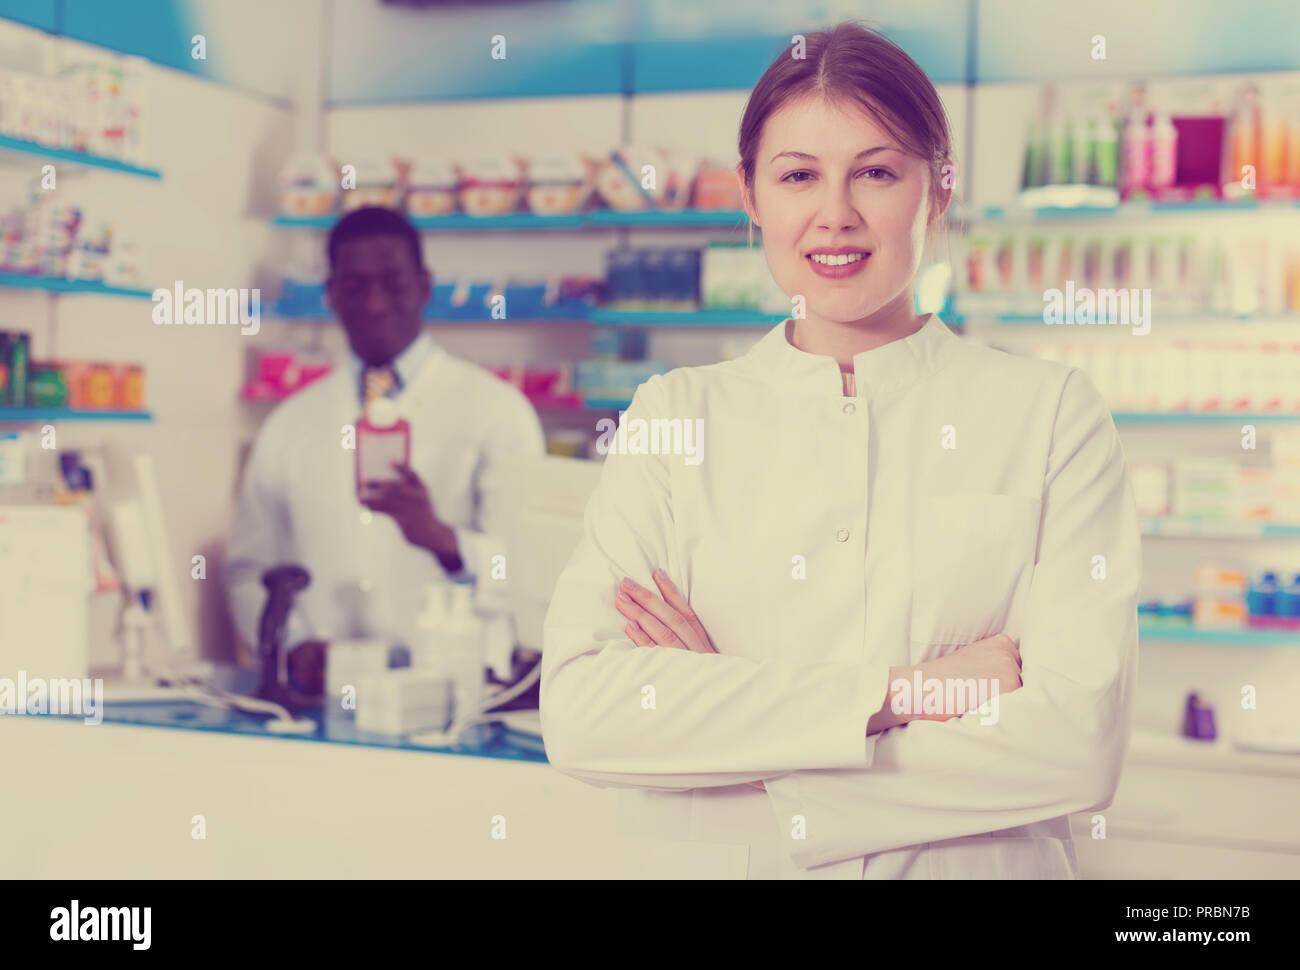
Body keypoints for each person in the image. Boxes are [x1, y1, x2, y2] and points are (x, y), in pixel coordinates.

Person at [540, 23, 1140, 879]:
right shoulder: (675, 417)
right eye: (797, 177)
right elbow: (587, 712)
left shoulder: (1050, 415)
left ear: (937, 188)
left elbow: (1077, 748)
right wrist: (906, 692)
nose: (836, 215)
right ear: (751, 195)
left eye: (876, 172)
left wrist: (734, 730)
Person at [226, 207, 545, 694]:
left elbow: (527, 574)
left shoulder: (498, 411)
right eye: (355, 286)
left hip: (455, 700)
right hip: (324, 700)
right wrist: (292, 645)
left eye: (393, 283)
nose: (375, 304)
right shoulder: (290, 423)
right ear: (330, 294)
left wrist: (443, 539)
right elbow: (250, 571)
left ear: (424, 285)